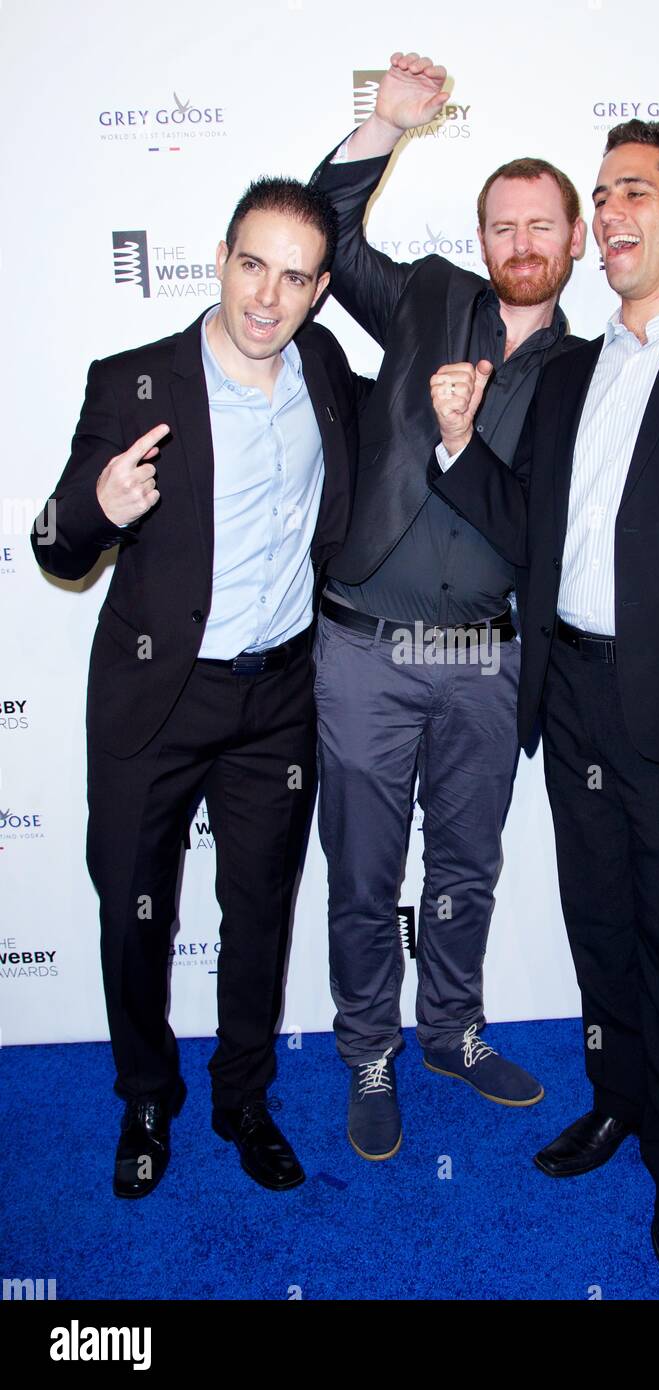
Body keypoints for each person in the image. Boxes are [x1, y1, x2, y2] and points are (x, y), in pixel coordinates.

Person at [309, 52, 659, 1163]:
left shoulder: (588, 369)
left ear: (575, 243)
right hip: (366, 642)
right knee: (364, 869)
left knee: (465, 867)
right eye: (501, 225)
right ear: (482, 238)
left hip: (489, 662)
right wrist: (383, 126)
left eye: (545, 224)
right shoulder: (422, 297)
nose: (522, 242)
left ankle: (451, 1028)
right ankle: (367, 1048)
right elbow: (324, 236)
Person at [428, 118, 659, 1267]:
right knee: (599, 922)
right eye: (600, 196)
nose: (608, 215)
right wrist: (457, 448)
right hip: (575, 691)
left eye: (633, 192)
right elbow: (527, 537)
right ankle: (622, 1097)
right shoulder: (571, 372)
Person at [31, 178, 367, 1198]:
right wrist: (96, 503)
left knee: (259, 908)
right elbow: (53, 545)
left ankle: (243, 1095)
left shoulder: (323, 364)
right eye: (251, 264)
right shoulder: (134, 382)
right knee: (134, 913)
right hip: (155, 700)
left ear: (317, 292)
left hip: (277, 700)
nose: (268, 296)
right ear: (220, 257)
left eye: (295, 276)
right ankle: (145, 1095)